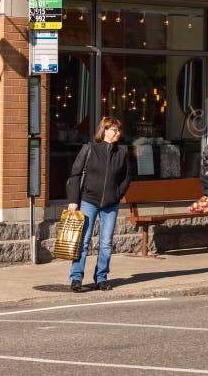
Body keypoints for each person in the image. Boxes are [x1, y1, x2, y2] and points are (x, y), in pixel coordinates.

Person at [67, 116, 132, 292]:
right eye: (114, 130)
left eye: (119, 130)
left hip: (111, 203)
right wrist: (73, 200)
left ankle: (101, 278)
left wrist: (118, 194)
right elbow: (75, 174)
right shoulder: (90, 149)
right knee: (84, 241)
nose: (118, 133)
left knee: (106, 243)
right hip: (89, 201)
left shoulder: (121, 153)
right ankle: (76, 278)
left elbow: (127, 177)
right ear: (104, 131)